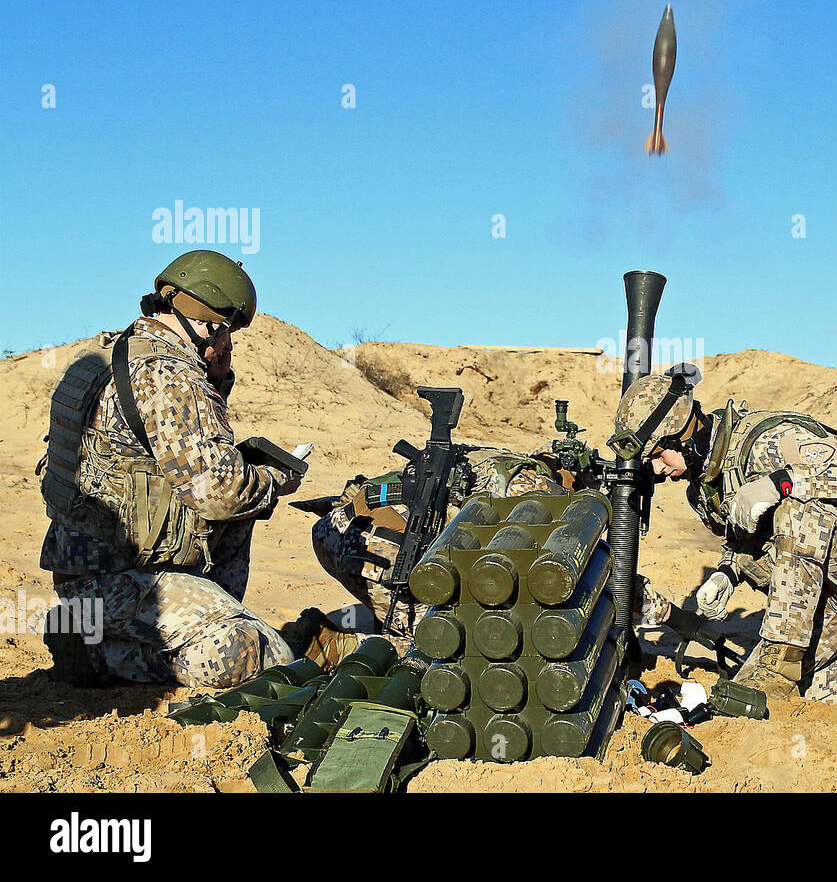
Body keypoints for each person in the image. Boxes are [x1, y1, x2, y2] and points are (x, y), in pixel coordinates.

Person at [38, 250, 327, 687]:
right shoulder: (167, 372)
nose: (227, 341)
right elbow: (218, 492)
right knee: (256, 653)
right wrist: (275, 480)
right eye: (226, 329)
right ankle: (101, 655)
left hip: (84, 571)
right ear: (211, 322)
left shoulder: (113, 352)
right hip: (118, 579)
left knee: (239, 511)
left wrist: (217, 381)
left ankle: (129, 631)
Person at [608, 367, 837, 703]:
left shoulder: (765, 443)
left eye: (657, 453)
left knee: (795, 511)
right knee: (754, 696)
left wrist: (780, 483)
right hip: (824, 595)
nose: (656, 468)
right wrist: (729, 572)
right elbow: (748, 540)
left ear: (683, 434)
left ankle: (782, 653)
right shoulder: (701, 493)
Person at [309, 449, 569, 639]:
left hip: (335, 527)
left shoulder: (499, 460)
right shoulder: (535, 488)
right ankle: (332, 645)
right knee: (440, 636)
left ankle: (385, 619)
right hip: (378, 550)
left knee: (405, 597)